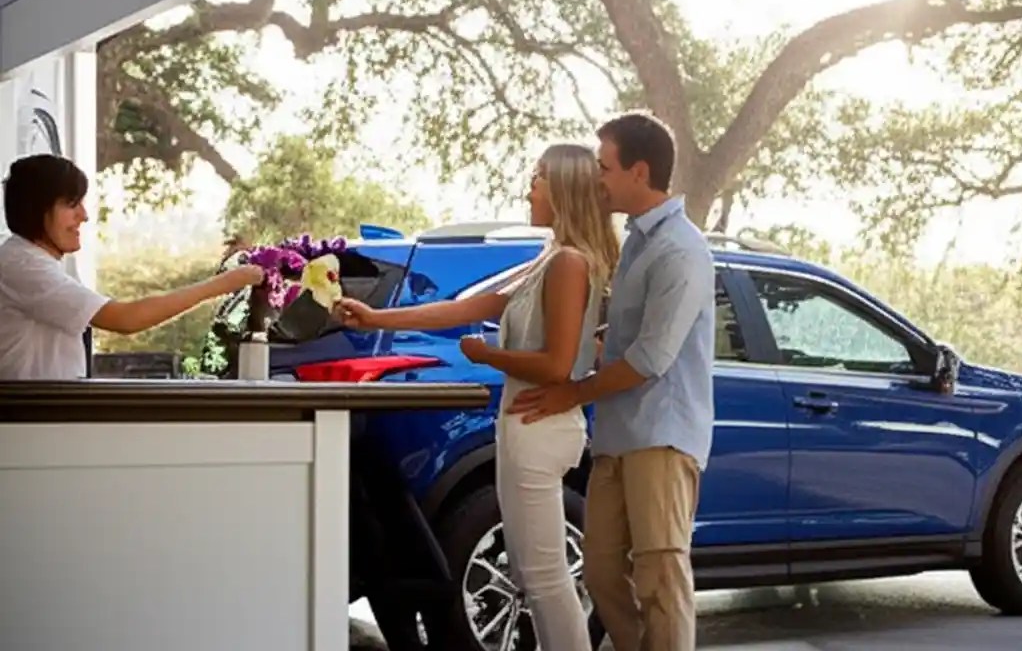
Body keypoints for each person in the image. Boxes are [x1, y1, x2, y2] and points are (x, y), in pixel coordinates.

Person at [333, 143, 619, 651]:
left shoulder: (570, 264)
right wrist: (377, 318)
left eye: (537, 177)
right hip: (524, 427)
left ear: (563, 187)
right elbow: (462, 307)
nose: (528, 188)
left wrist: (486, 355)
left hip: (540, 428)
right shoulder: (548, 259)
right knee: (534, 576)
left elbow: (556, 365)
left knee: (547, 579)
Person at [508, 112, 716, 651]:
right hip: (618, 434)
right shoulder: (637, 245)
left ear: (639, 172)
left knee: (660, 581)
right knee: (600, 573)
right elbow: (620, 344)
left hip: (662, 439)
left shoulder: (681, 250)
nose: (595, 177)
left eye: (603, 166)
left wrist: (570, 390)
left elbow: (651, 357)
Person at [0, 154, 264, 380]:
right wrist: (222, 284)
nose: (84, 215)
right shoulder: (23, 266)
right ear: (37, 210)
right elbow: (125, 318)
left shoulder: (35, 263)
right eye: (71, 205)